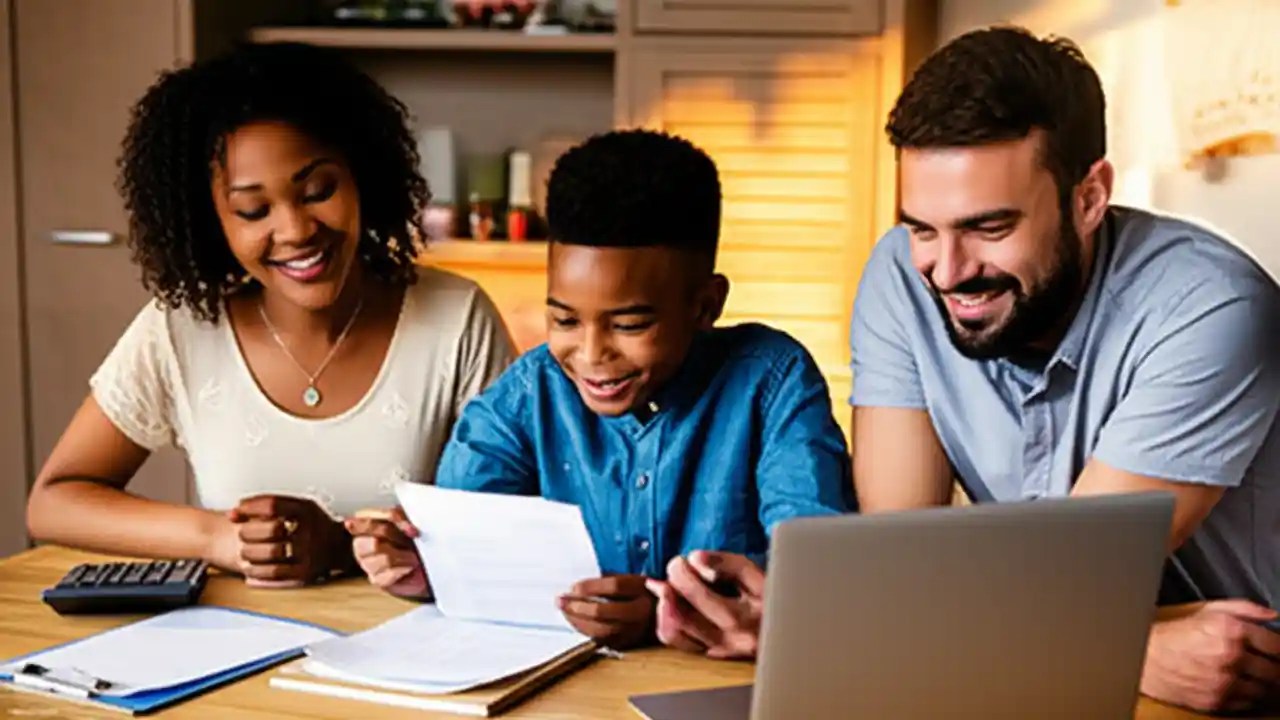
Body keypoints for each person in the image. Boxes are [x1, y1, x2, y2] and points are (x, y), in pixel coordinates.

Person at [649, 25, 1280, 713]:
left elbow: (1084, 588)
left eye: (989, 228)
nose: (947, 273)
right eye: (923, 227)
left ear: (1089, 197)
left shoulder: (1210, 309)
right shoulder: (901, 275)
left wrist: (849, 624)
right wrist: (1143, 647)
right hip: (1083, 674)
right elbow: (897, 563)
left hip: (1245, 683)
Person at [25, 42, 516, 588]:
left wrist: (339, 544)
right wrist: (216, 538)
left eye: (317, 190)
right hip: (233, 652)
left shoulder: (457, 319)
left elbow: (513, 526)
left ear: (362, 175)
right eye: (253, 210)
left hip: (409, 654)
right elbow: (54, 502)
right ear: (212, 221)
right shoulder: (181, 327)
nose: (297, 230)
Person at [345, 129, 854, 649]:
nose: (591, 355)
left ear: (705, 305)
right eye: (565, 320)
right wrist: (423, 567)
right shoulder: (526, 396)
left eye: (629, 326)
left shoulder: (772, 383)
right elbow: (466, 544)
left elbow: (816, 574)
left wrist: (665, 609)